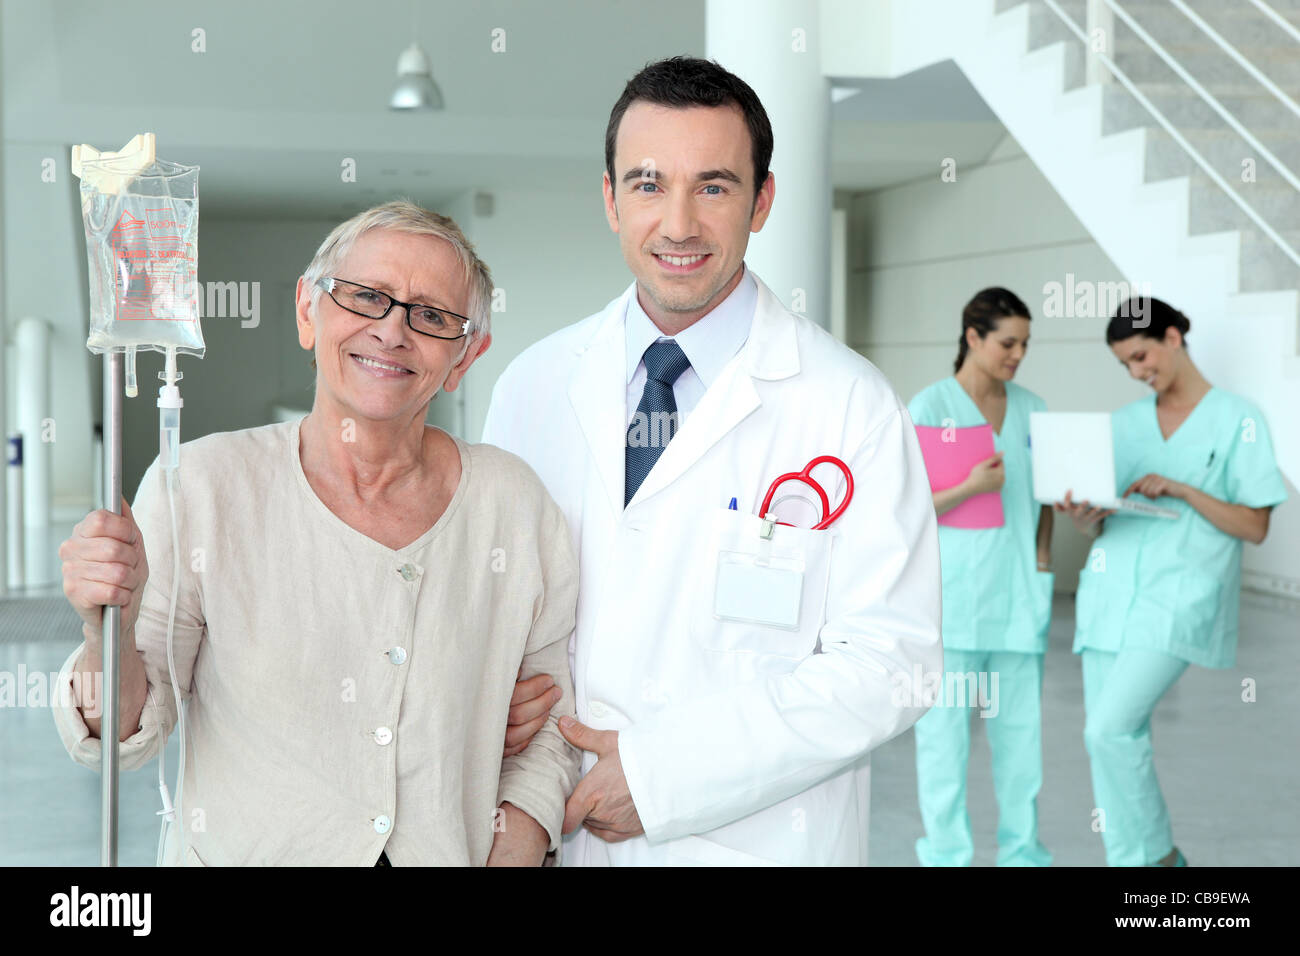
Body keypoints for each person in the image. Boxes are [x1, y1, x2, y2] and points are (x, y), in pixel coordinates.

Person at [482, 56, 941, 866]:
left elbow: (890, 666)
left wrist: (666, 777)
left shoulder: (847, 406)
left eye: (715, 186)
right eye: (649, 184)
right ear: (610, 198)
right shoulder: (533, 385)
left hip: (750, 842)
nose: (680, 224)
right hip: (552, 833)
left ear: (762, 200)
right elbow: (488, 601)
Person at [55, 200, 580, 866]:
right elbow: (121, 732)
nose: (392, 332)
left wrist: (515, 848)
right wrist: (111, 630)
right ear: (308, 310)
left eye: (433, 315)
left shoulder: (514, 505)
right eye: (366, 296)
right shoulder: (202, 487)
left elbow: (548, 738)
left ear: (465, 355)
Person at [1058, 296, 1287, 867]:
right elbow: (1104, 517)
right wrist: (1087, 519)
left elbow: (1255, 525)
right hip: (1110, 593)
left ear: (1174, 337)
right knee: (1116, 739)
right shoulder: (1123, 424)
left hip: (1181, 596)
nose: (1138, 373)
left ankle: (1156, 860)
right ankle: (1135, 868)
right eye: (1126, 366)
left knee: (1107, 731)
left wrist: (1184, 489)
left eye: (1141, 356)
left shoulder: (1240, 418)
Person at [906, 287, 1055, 867]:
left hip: (1019, 602)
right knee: (943, 748)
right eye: (1008, 342)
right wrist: (969, 487)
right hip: (953, 608)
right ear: (973, 337)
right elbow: (904, 511)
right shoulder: (928, 406)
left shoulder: (1035, 408)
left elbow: (1044, 503)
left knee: (1021, 750)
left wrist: (1044, 563)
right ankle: (946, 856)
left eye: (1025, 344)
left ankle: (1024, 856)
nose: (1018, 355)